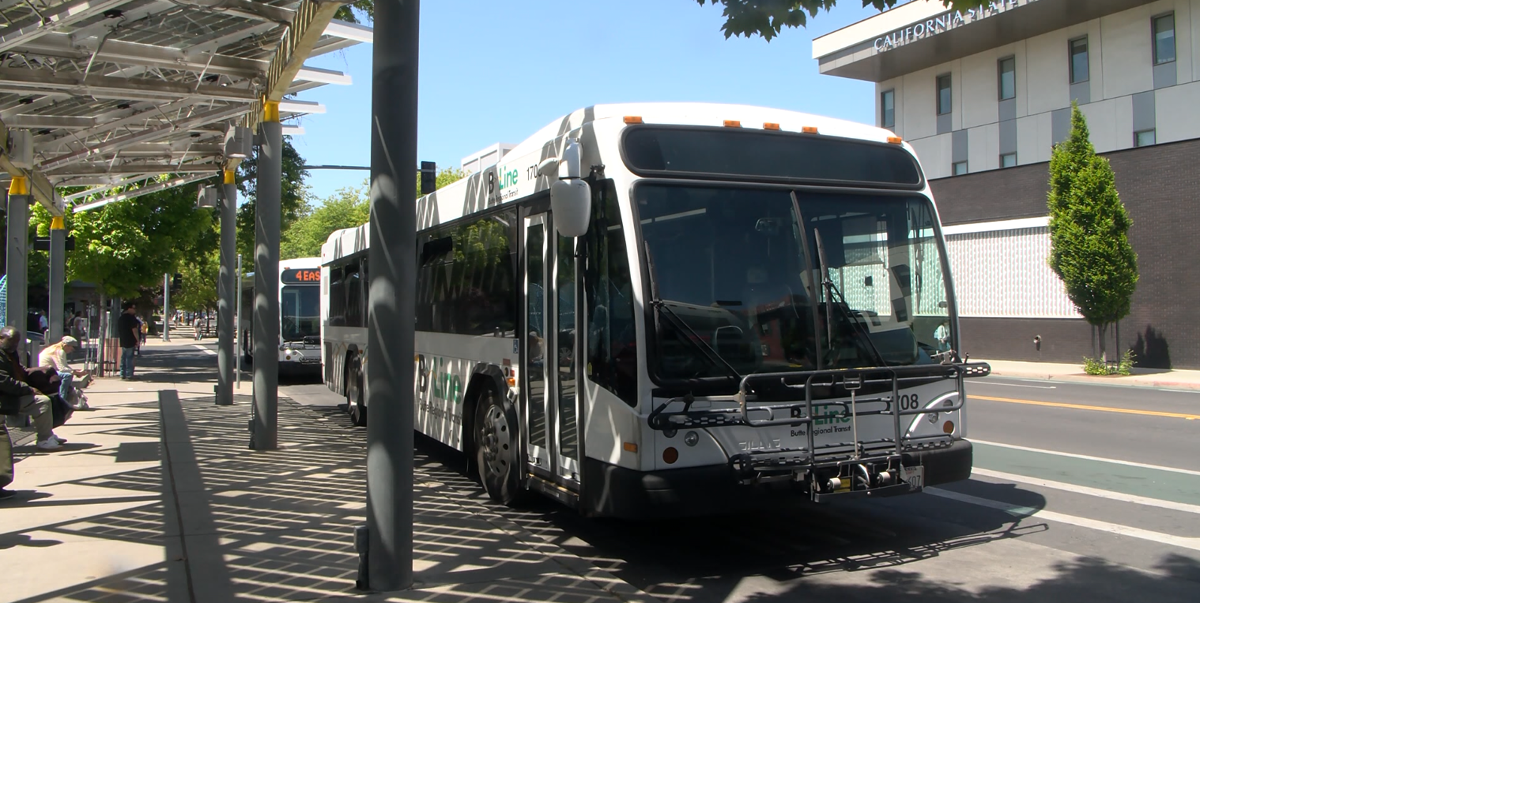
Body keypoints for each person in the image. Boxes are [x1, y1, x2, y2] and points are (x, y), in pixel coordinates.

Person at [1, 325, 65, 462]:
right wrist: (28, 389)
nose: (14, 345)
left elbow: (18, 370)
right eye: (11, 341)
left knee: (50, 395)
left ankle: (47, 434)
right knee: (42, 402)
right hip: (5, 397)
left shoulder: (10, 353)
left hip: (12, 393)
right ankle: (44, 439)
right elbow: (4, 382)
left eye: (17, 342)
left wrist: (39, 371)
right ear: (1, 338)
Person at [39, 336, 89, 410]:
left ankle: (68, 397)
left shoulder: (55, 348)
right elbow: (62, 369)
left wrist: (76, 372)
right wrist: (75, 373)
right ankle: (62, 398)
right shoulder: (59, 351)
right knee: (67, 376)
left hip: (49, 370)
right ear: (66, 345)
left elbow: (65, 366)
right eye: (71, 347)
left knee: (68, 374)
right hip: (47, 372)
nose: (72, 350)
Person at [118, 301, 140, 380]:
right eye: (134, 308)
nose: (135, 310)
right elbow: (134, 330)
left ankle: (122, 373)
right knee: (129, 357)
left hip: (123, 340)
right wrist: (137, 339)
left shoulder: (121, 318)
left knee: (123, 357)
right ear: (129, 308)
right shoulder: (131, 318)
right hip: (130, 340)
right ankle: (129, 375)